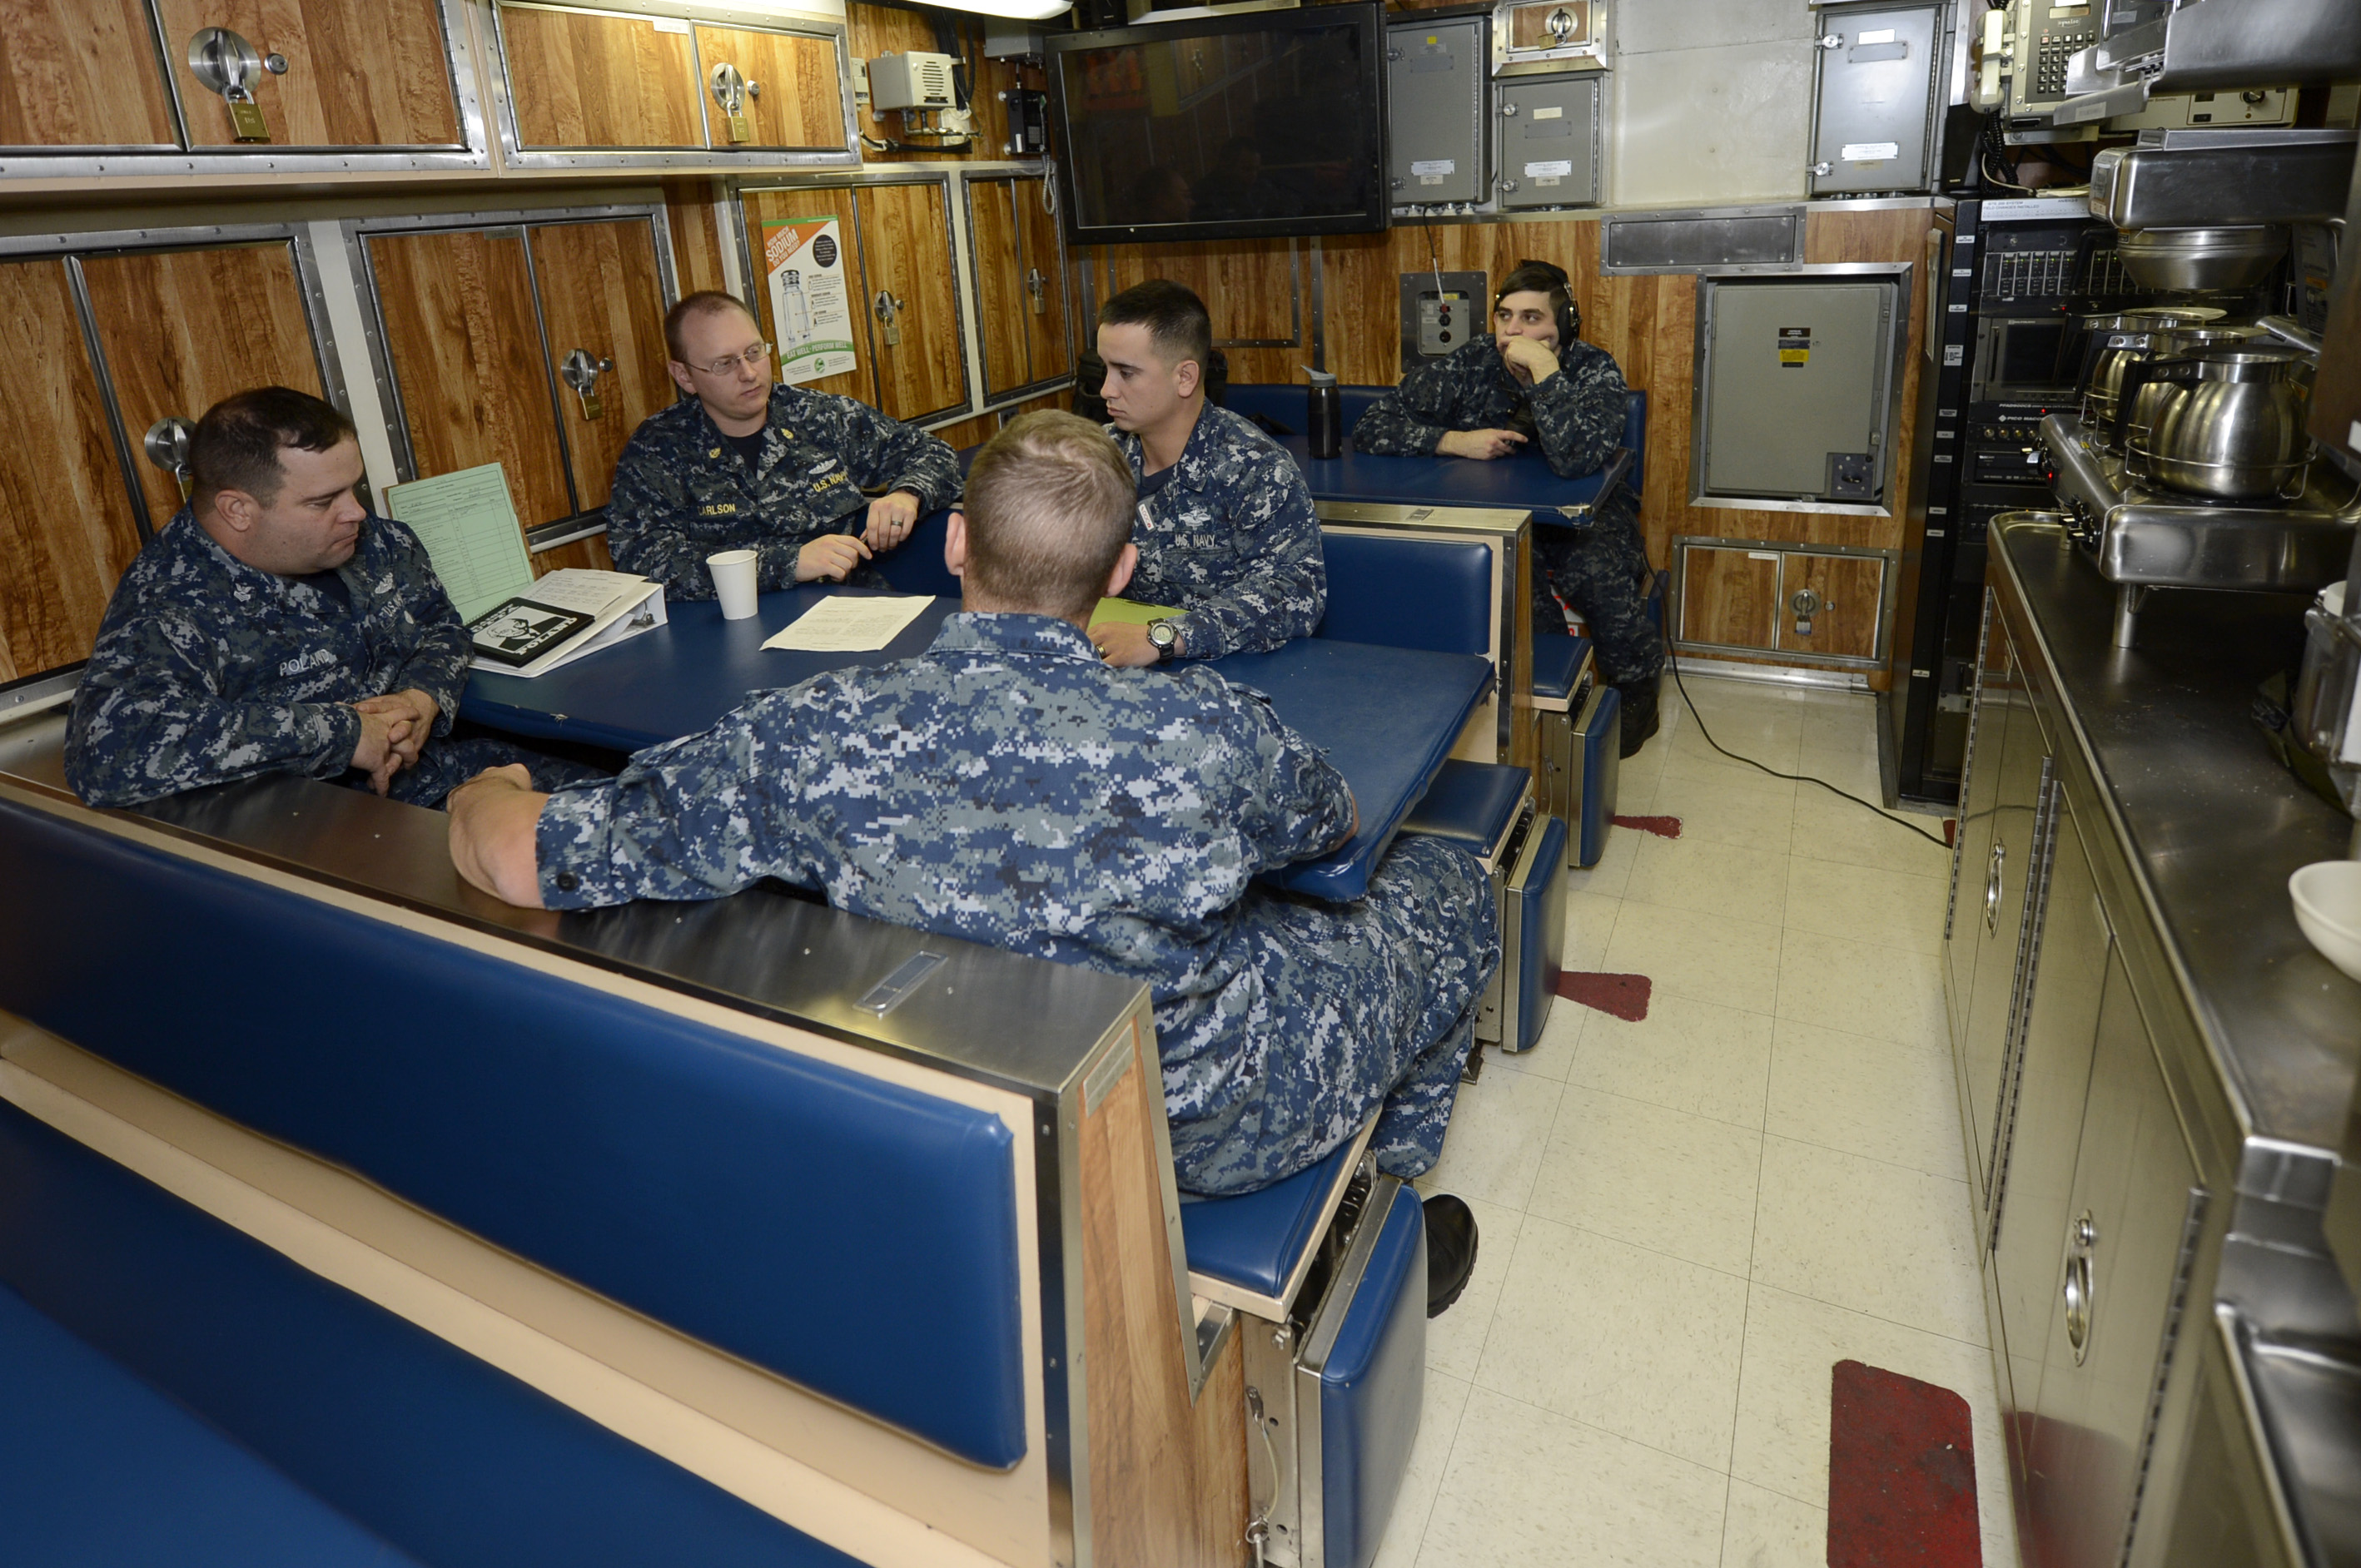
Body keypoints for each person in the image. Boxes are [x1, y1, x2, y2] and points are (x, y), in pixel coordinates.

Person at [446, 411, 1491, 1312]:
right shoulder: (1206, 732)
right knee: (1448, 887)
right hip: (1191, 1129)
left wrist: (485, 788)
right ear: (1122, 570)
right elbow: (1337, 824)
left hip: (936, 1122)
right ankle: (1380, 1233)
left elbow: (518, 861)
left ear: (954, 546)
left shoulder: (810, 736)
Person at [64, 387, 604, 811]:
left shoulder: (380, 546)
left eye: (355, 488)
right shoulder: (174, 600)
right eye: (324, 501)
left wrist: (421, 698)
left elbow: (441, 626)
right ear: (238, 510)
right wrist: (343, 734)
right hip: (321, 824)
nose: (357, 513)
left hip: (451, 769)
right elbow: (108, 753)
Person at [1350, 260, 1664, 754]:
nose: (1512, 331)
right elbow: (1372, 425)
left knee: (1596, 575)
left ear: (1563, 325)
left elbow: (1575, 459)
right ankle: (1553, 707)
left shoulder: (1593, 369)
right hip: (1502, 514)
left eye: (1532, 318)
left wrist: (1544, 372)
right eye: (1504, 316)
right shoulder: (1472, 362)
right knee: (1514, 585)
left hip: (1585, 516)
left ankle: (1635, 693)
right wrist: (1454, 440)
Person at [604, 290, 962, 603]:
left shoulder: (817, 416)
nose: (748, 373)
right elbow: (642, 558)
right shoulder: (660, 448)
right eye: (725, 363)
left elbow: (935, 453)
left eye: (754, 352)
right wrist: (789, 563)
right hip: (730, 630)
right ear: (684, 376)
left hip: (850, 608)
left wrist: (907, 494)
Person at [1090, 280, 1325, 667]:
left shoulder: (1254, 466)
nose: (1105, 390)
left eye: (1126, 373)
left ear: (1185, 377)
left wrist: (1164, 638)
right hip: (1112, 668)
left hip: (1227, 678)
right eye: (1106, 369)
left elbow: (1296, 593)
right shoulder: (1099, 456)